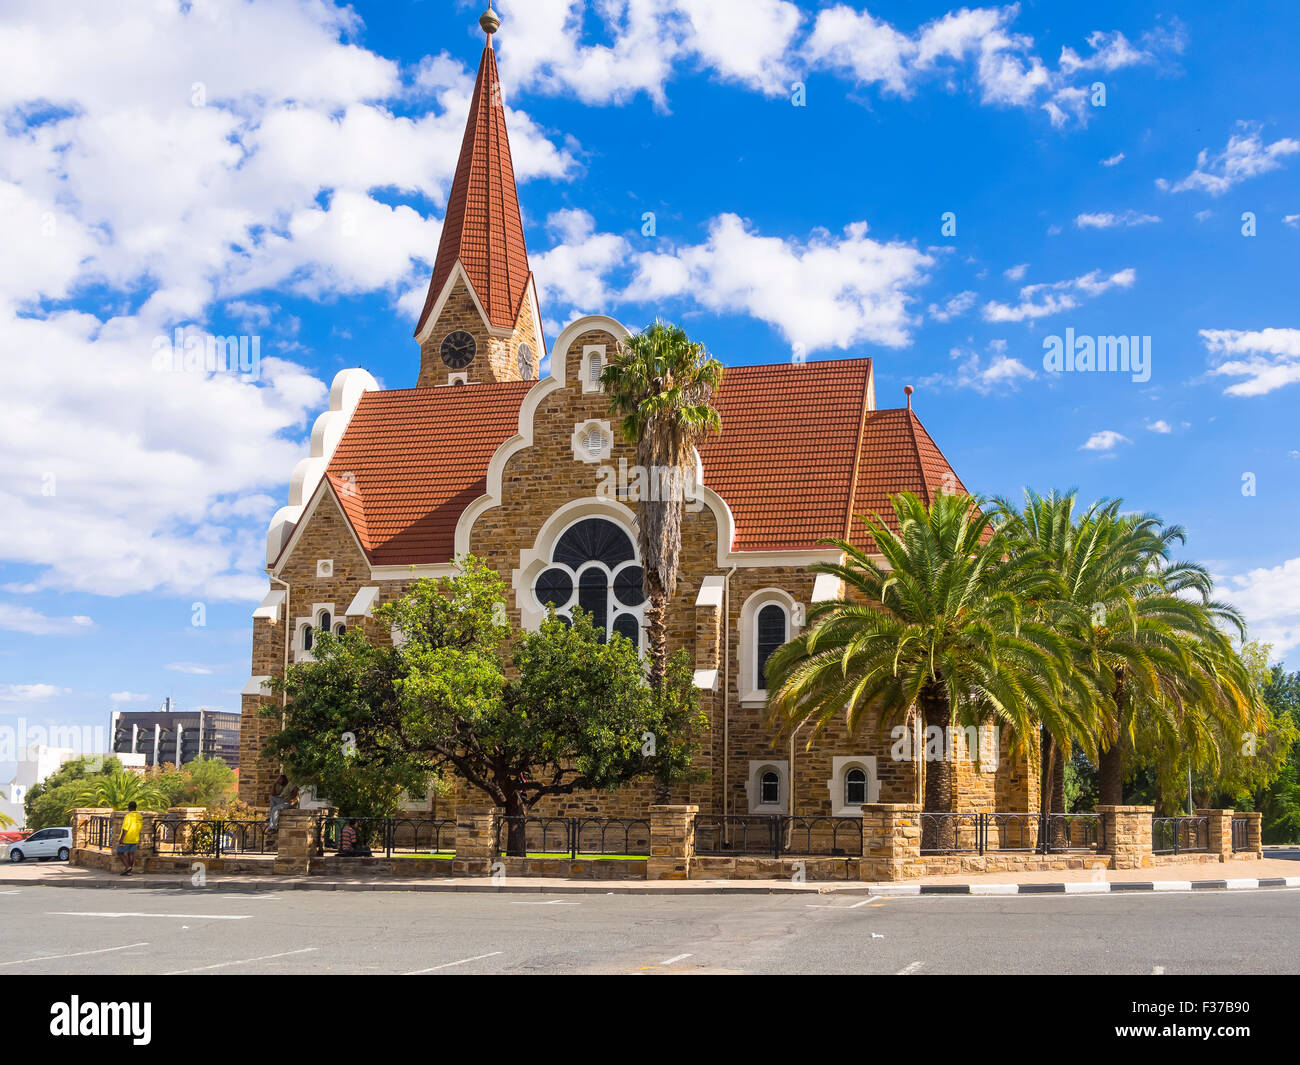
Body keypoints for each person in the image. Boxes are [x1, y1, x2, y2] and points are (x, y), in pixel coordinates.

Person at [116, 801, 143, 875]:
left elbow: (125, 828)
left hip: (127, 838)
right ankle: (129, 872)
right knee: (131, 854)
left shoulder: (128, 816)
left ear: (129, 807)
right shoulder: (139, 816)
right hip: (135, 838)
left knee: (120, 852)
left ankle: (127, 867)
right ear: (135, 807)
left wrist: (121, 839)